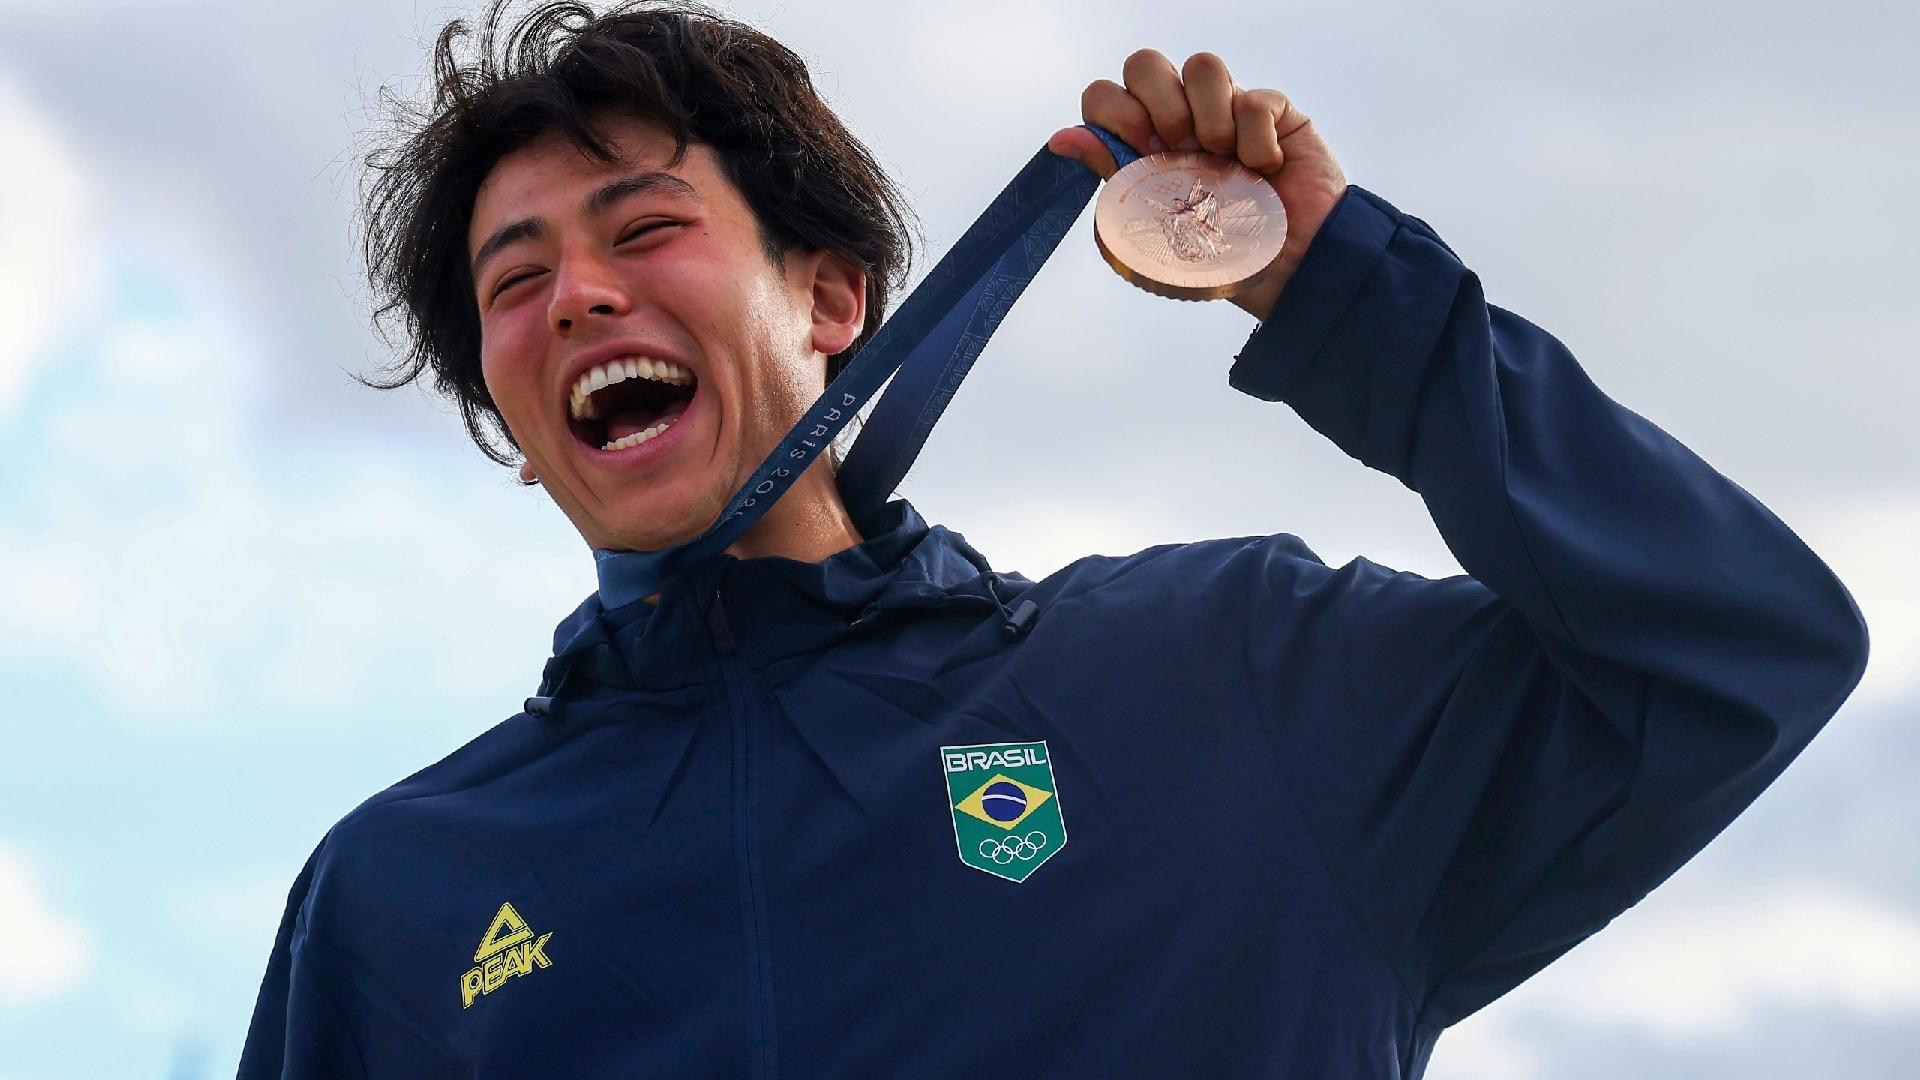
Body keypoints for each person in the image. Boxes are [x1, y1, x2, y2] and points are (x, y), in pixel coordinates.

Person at [239, 1, 1871, 1077]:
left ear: (830, 302)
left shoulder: (1231, 685)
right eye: (514, 284)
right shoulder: (399, 902)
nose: (576, 293)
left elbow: (1733, 648)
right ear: (516, 433)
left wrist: (1350, 300)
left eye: (644, 227)